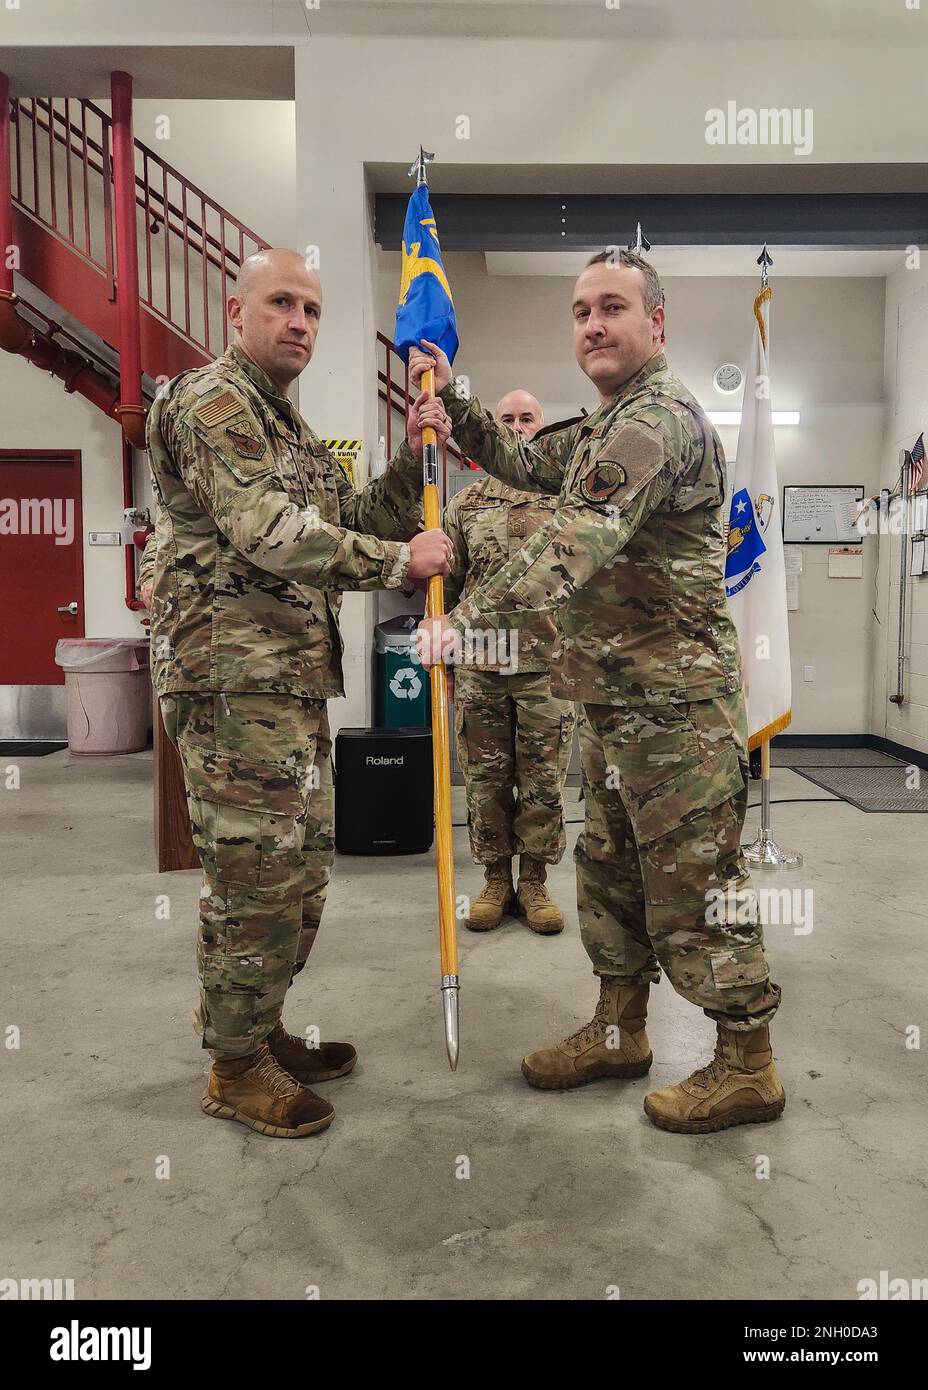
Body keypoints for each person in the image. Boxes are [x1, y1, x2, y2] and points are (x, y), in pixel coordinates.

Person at [413, 248, 784, 1135]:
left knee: (696, 883)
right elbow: (531, 466)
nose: (592, 325)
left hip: (676, 712)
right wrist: (453, 405)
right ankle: (620, 1029)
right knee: (613, 873)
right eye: (580, 310)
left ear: (657, 322)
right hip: (616, 706)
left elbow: (576, 531)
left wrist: (466, 622)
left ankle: (748, 1064)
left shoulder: (654, 420)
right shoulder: (607, 424)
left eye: (611, 307)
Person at [146, 248, 453, 1138]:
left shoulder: (286, 424)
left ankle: (261, 1028)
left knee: (302, 874)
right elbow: (268, 532)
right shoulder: (214, 404)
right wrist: (401, 562)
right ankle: (234, 1068)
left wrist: (419, 453)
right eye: (282, 303)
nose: (301, 323)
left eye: (313, 310)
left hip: (288, 684)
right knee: (254, 878)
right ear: (235, 311)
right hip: (231, 681)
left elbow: (346, 517)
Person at [443, 389, 575, 934]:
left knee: (543, 783)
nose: (518, 426)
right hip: (482, 666)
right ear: (490, 431)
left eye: (528, 417)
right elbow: (449, 587)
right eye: (507, 418)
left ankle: (535, 883)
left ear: (542, 428)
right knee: (486, 782)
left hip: (548, 668)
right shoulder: (465, 506)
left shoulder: (568, 501)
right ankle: (496, 880)